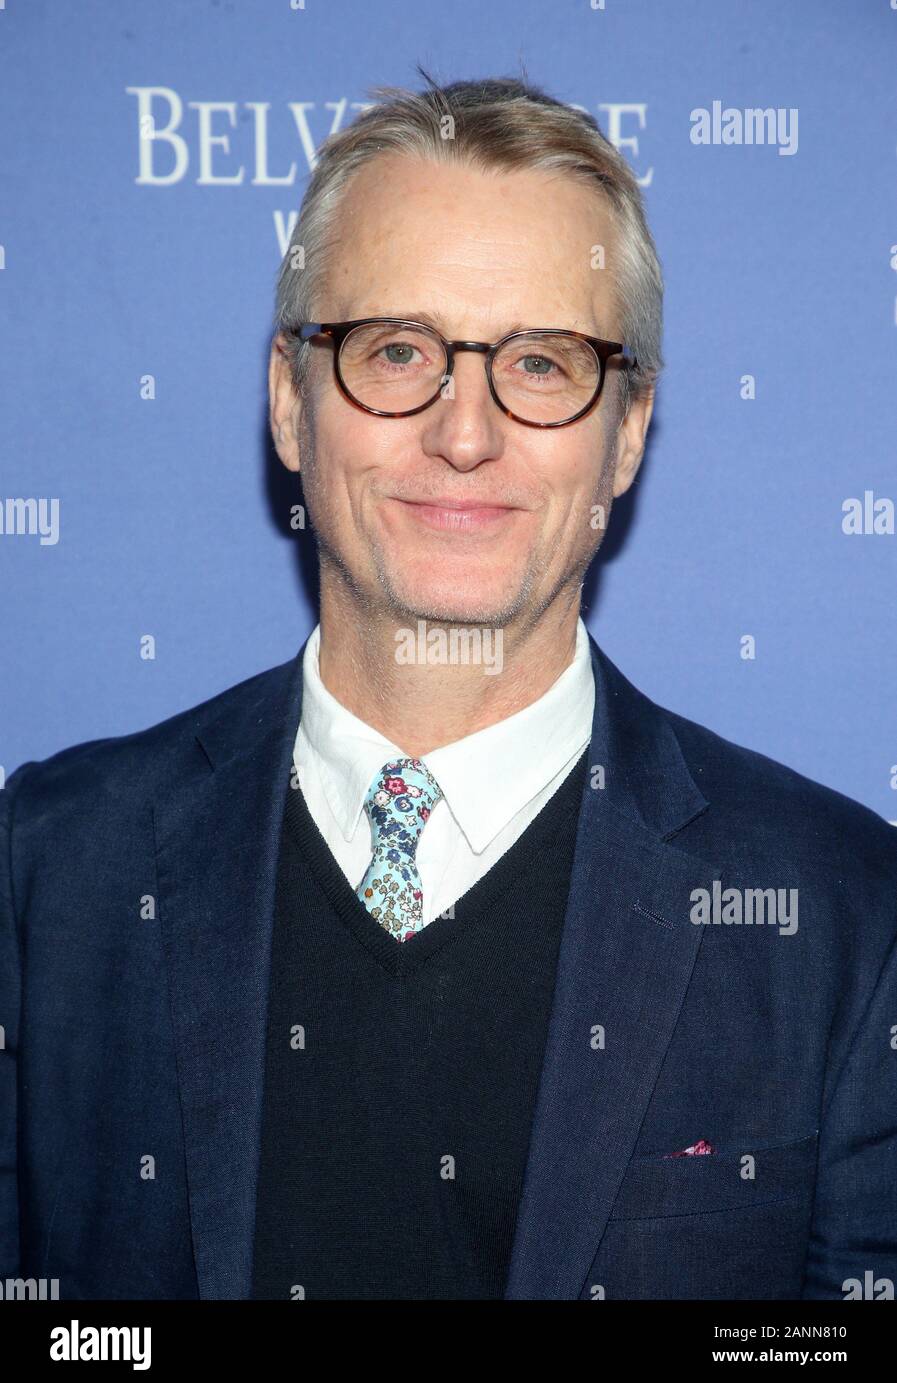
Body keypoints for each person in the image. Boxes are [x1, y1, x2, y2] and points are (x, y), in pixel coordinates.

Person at [2, 74, 895, 1302]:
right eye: (398, 350)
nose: (463, 431)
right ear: (288, 400)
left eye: (540, 362)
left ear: (628, 430)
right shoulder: (54, 870)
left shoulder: (842, 917)